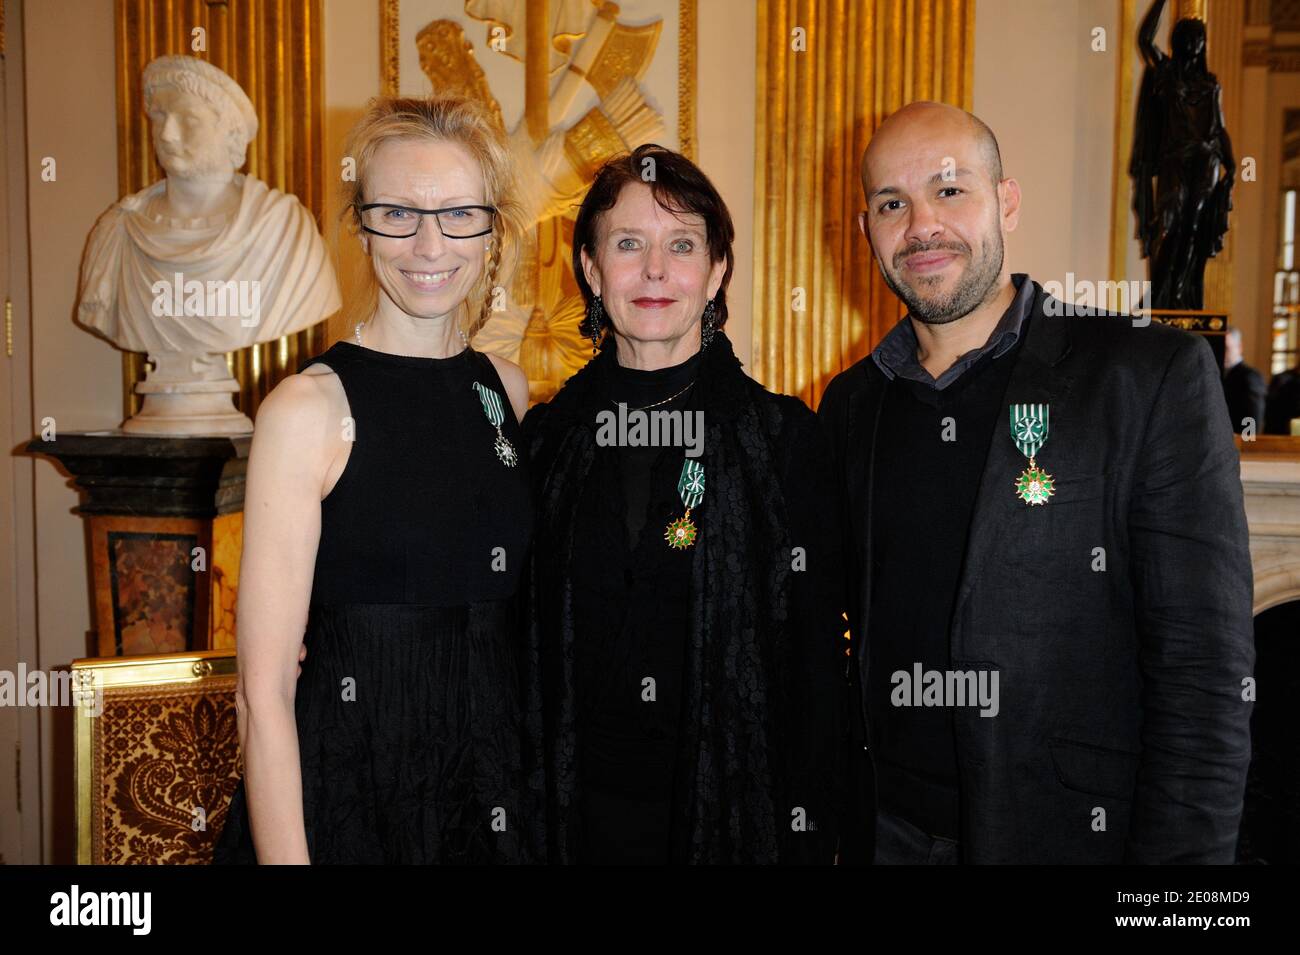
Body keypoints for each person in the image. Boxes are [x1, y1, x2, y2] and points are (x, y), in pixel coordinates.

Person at [818, 101, 1255, 864]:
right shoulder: (852, 403)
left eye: (950, 190)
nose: (923, 224)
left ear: (1006, 202)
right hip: (881, 834)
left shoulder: (1148, 376)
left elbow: (1205, 678)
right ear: (868, 234)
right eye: (893, 203)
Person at [213, 96, 533, 864]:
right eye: (397, 213)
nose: (430, 243)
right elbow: (263, 694)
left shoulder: (508, 391)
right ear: (360, 223)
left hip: (488, 798)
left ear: (494, 228)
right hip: (348, 801)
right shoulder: (308, 407)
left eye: (460, 213)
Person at [522, 144, 846, 864]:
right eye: (629, 243)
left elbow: (816, 674)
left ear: (718, 268)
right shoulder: (544, 443)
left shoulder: (783, 440)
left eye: (683, 245)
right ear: (590, 267)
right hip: (572, 826)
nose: (656, 271)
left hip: (732, 821)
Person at [1221, 327, 1266, 435]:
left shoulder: (1250, 376)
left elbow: (1252, 415)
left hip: (1240, 442)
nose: (1222, 352)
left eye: (1226, 348)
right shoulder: (1218, 373)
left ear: (1239, 347)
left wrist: (1247, 440)